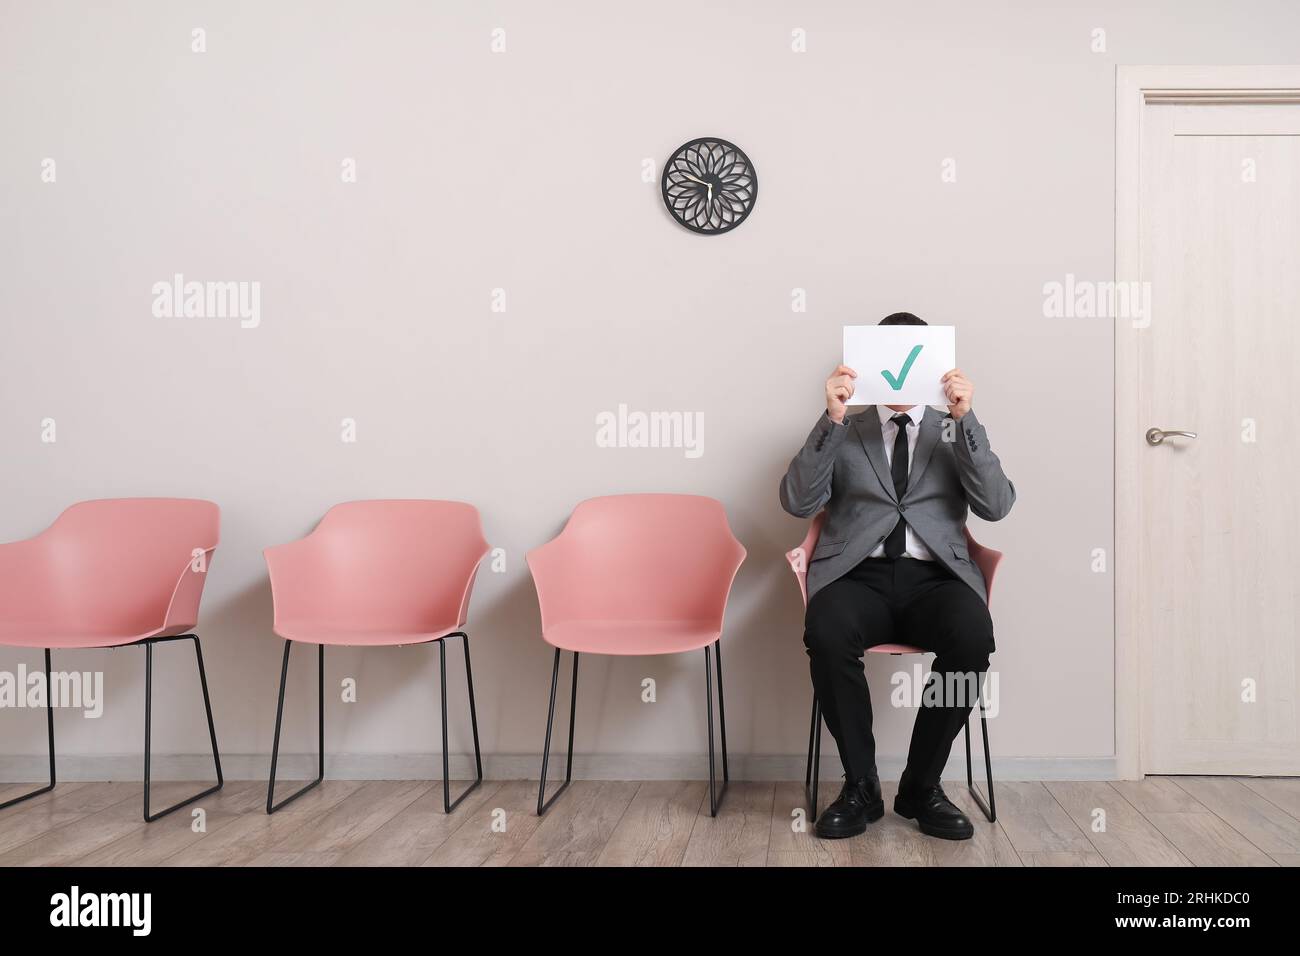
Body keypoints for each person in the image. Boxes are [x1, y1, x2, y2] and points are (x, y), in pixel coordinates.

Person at [779, 312, 1015, 840]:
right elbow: (796, 502)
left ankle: (921, 786)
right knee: (827, 629)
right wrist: (830, 418)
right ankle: (861, 785)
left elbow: (997, 506)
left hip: (935, 580)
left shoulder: (952, 428)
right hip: (856, 577)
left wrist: (966, 420)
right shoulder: (846, 427)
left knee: (973, 635)